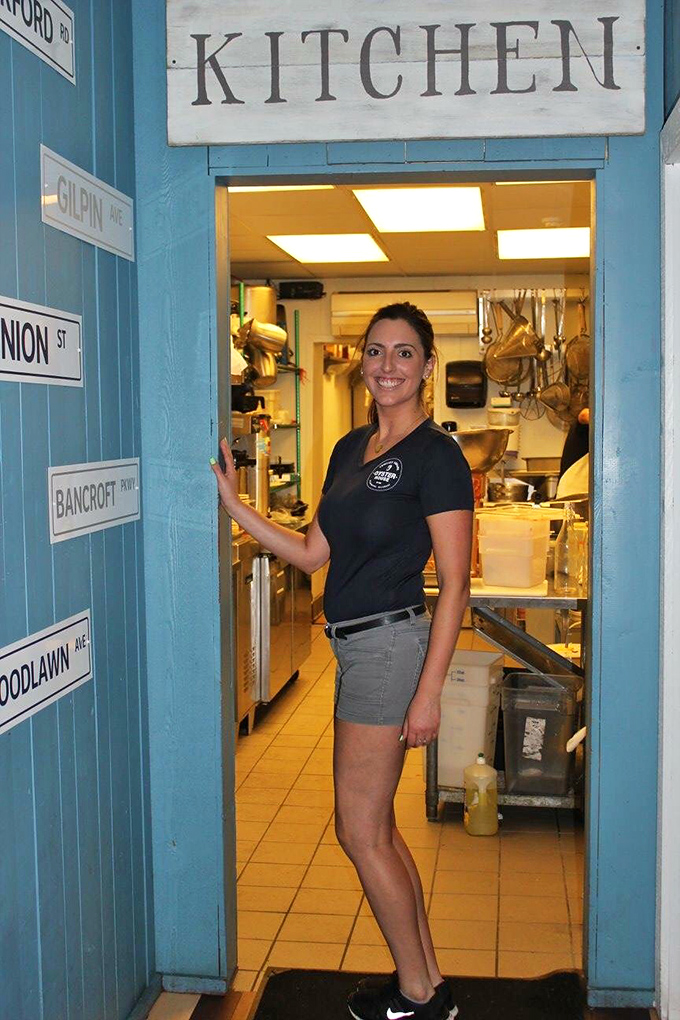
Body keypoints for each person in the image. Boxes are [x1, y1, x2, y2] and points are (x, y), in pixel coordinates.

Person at [211, 302, 473, 1020]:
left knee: (356, 830)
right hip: (358, 647)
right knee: (377, 828)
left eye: (405, 353)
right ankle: (426, 981)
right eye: (377, 351)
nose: (388, 365)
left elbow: (456, 584)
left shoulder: (436, 456)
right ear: (362, 361)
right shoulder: (349, 450)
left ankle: (418, 994)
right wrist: (235, 507)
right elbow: (310, 552)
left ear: (426, 367)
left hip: (391, 646)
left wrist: (428, 694)